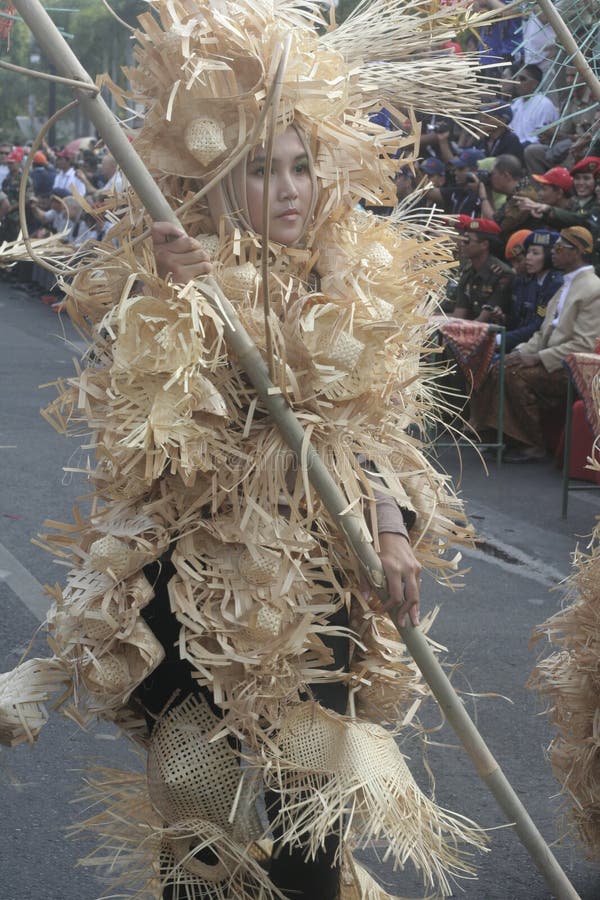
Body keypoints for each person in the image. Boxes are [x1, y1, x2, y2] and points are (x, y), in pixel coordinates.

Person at [0, 1, 488, 898]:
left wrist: (387, 528)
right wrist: (178, 313)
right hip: (193, 593)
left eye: (303, 165)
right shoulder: (153, 285)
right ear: (217, 181)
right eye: (263, 169)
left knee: (315, 836)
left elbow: (371, 430)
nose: (293, 188)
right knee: (200, 835)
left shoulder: (357, 287)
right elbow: (153, 446)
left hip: (316, 589)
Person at [470, 226, 600, 461]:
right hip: (552, 358)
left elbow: (584, 344)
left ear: (577, 251)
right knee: (499, 365)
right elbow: (542, 333)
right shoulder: (566, 285)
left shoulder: (593, 289)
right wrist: (522, 351)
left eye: (560, 247)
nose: (554, 252)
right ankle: (499, 436)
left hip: (572, 367)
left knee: (514, 376)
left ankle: (532, 444)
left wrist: (538, 357)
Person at [450, 215, 514, 320]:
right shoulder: (468, 272)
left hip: (493, 332)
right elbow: (459, 313)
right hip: (470, 328)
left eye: (467, 240)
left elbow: (483, 319)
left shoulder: (502, 274)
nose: (461, 244)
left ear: (484, 245)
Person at [510, 64, 559, 147]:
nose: (517, 82)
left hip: (533, 148)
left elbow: (541, 137)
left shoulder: (544, 104)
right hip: (516, 146)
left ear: (535, 84)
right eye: (516, 78)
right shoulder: (516, 103)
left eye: (522, 79)